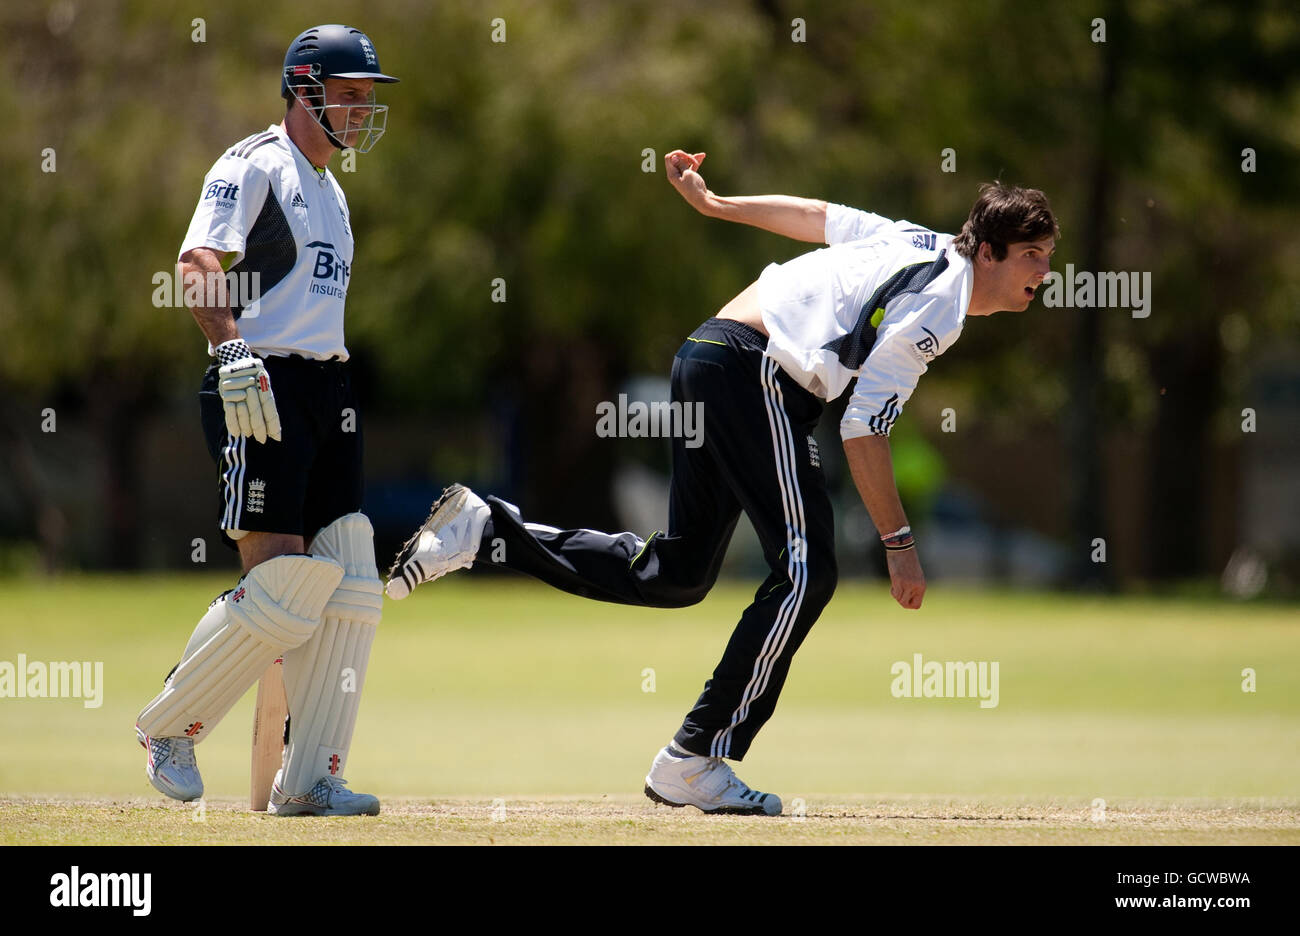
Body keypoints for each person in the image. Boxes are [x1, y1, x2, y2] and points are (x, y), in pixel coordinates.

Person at [386, 149, 1058, 815]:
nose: (1044, 272)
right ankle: (693, 759)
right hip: (755, 371)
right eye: (1032, 255)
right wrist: (900, 542)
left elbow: (817, 216)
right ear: (990, 251)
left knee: (675, 573)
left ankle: (485, 528)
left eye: (1049, 257)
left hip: (707, 355)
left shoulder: (916, 240)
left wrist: (718, 205)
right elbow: (863, 426)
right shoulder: (940, 305)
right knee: (807, 572)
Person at [135, 25, 398, 816]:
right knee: (281, 580)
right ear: (305, 89)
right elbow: (196, 264)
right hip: (259, 379)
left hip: (328, 387)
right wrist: (230, 352)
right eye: (349, 95)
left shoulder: (334, 190)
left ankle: (308, 779)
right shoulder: (253, 164)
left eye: (366, 99)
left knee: (348, 579)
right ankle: (168, 728)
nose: (360, 112)